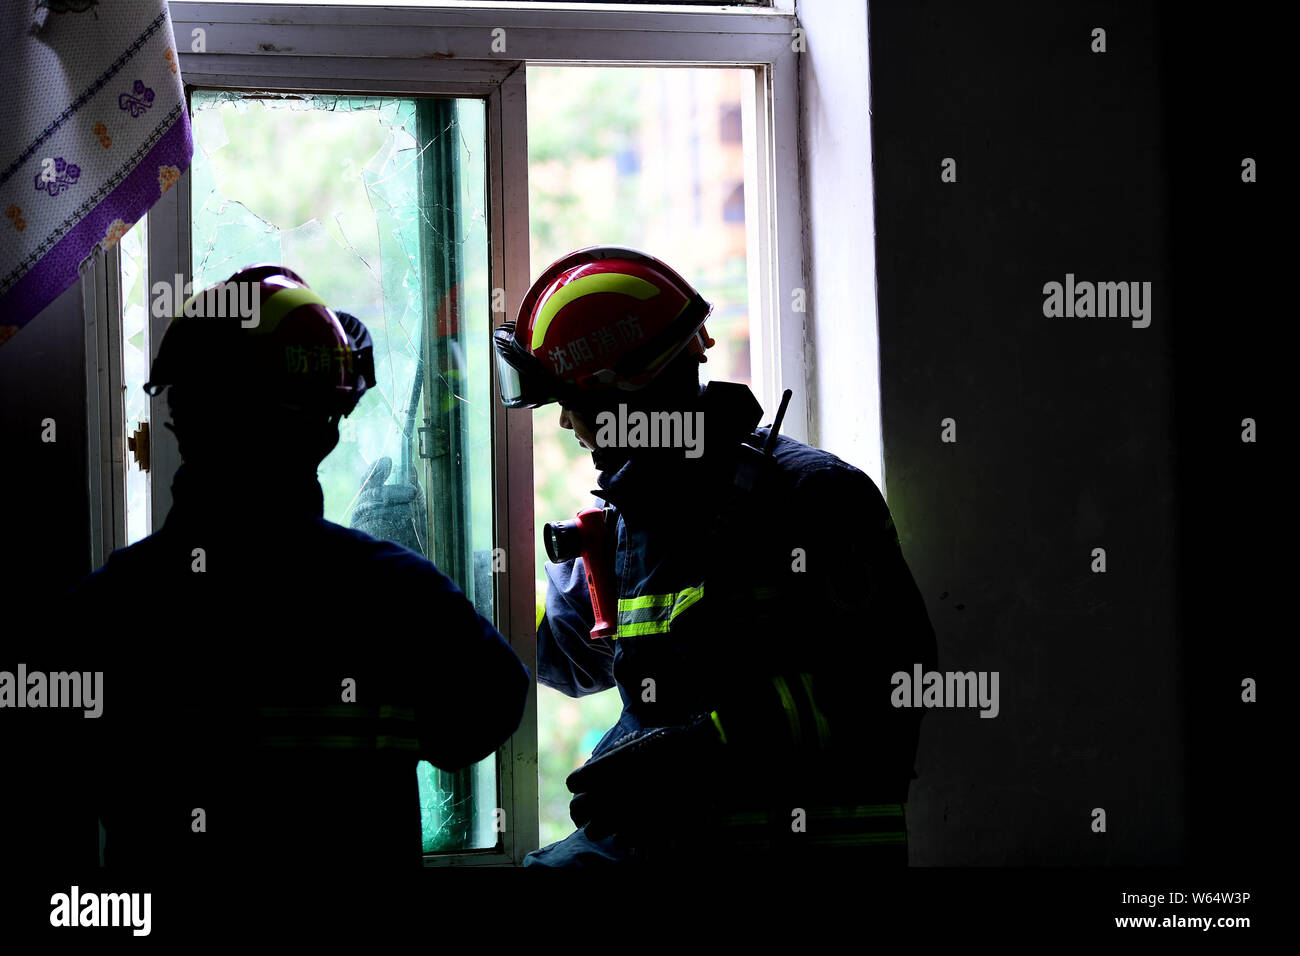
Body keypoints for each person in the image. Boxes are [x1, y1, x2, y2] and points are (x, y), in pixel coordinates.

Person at [68, 265, 529, 871]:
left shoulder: (106, 608)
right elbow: (477, 722)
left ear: (180, 420)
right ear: (326, 434)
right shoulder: (397, 596)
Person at [494, 246, 939, 867]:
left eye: (574, 400)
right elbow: (556, 649)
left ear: (628, 394)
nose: (567, 421)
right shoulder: (633, 518)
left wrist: (706, 750)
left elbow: (893, 689)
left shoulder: (814, 498)